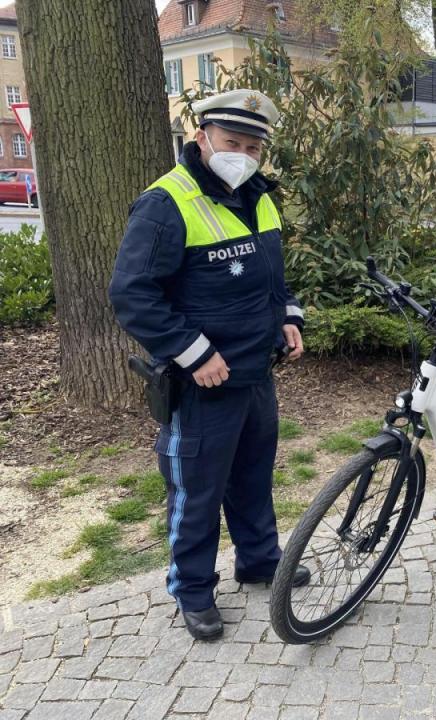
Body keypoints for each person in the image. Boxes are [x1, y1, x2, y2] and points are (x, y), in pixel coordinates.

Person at [109, 89, 310, 641]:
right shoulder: (166, 202)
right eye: (231, 142)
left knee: (251, 477)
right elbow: (133, 294)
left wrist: (288, 318)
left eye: (252, 146)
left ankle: (260, 561)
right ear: (203, 138)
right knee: (196, 491)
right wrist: (194, 353)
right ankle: (193, 590)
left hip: (254, 374)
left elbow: (272, 278)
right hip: (201, 382)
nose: (242, 154)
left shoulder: (258, 196)